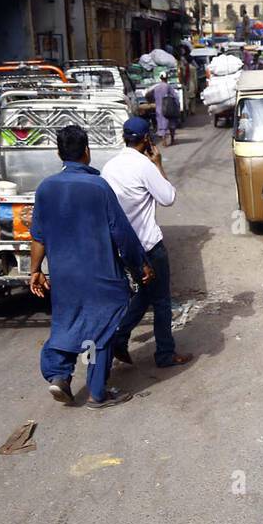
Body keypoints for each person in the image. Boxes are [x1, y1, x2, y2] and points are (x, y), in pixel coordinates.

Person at [28, 125, 153, 410]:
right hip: (101, 276)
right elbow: (121, 232)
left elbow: (38, 235)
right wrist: (139, 265)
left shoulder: (46, 187)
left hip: (64, 277)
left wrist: (35, 270)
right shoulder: (98, 187)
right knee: (103, 327)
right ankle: (98, 391)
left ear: (59, 153)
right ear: (87, 151)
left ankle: (59, 375)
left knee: (67, 321)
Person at [101, 117, 192, 369]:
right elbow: (168, 198)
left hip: (124, 247)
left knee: (144, 292)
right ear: (146, 140)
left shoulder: (109, 167)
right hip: (149, 245)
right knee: (161, 300)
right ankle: (165, 353)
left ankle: (119, 336)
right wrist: (159, 165)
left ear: (124, 138)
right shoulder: (145, 166)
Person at [150, 73, 177, 146]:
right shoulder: (168, 86)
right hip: (168, 108)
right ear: (167, 78)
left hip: (159, 109)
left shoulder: (156, 88)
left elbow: (152, 97)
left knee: (161, 124)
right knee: (171, 124)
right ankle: (172, 139)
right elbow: (175, 96)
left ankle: (163, 139)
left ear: (160, 78)